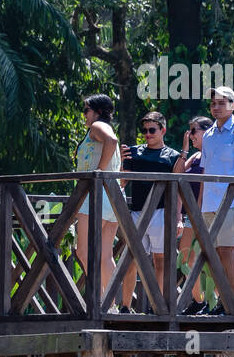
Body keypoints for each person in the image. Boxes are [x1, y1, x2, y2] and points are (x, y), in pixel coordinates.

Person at [197, 86, 234, 315]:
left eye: (222, 103)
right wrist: (198, 205)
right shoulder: (209, 135)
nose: (216, 107)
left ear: (233, 105)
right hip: (209, 203)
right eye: (213, 103)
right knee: (212, 255)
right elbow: (204, 172)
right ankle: (223, 301)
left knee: (227, 252)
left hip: (231, 202)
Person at [118, 111, 182, 312]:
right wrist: (121, 161)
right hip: (137, 211)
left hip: (161, 212)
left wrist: (178, 216)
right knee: (131, 260)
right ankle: (126, 307)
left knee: (160, 261)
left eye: (152, 130)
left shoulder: (173, 156)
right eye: (144, 130)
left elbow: (179, 189)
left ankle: (158, 306)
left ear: (162, 130)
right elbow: (122, 181)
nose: (147, 134)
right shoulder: (133, 152)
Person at [73, 94, 120, 303]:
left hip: (96, 195)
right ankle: (110, 305)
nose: (84, 115)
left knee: (83, 251)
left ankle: (100, 301)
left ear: (98, 112)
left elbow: (111, 141)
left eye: (87, 110)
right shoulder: (99, 128)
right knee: (104, 255)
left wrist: (98, 171)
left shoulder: (97, 127)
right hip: (113, 196)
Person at [175, 116, 213, 314]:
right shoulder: (196, 157)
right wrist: (184, 150)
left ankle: (216, 302)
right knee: (185, 256)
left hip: (212, 212)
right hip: (192, 213)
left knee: (214, 258)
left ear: (207, 132)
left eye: (194, 131)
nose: (190, 135)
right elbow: (177, 175)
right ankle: (199, 302)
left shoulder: (213, 153)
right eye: (189, 131)